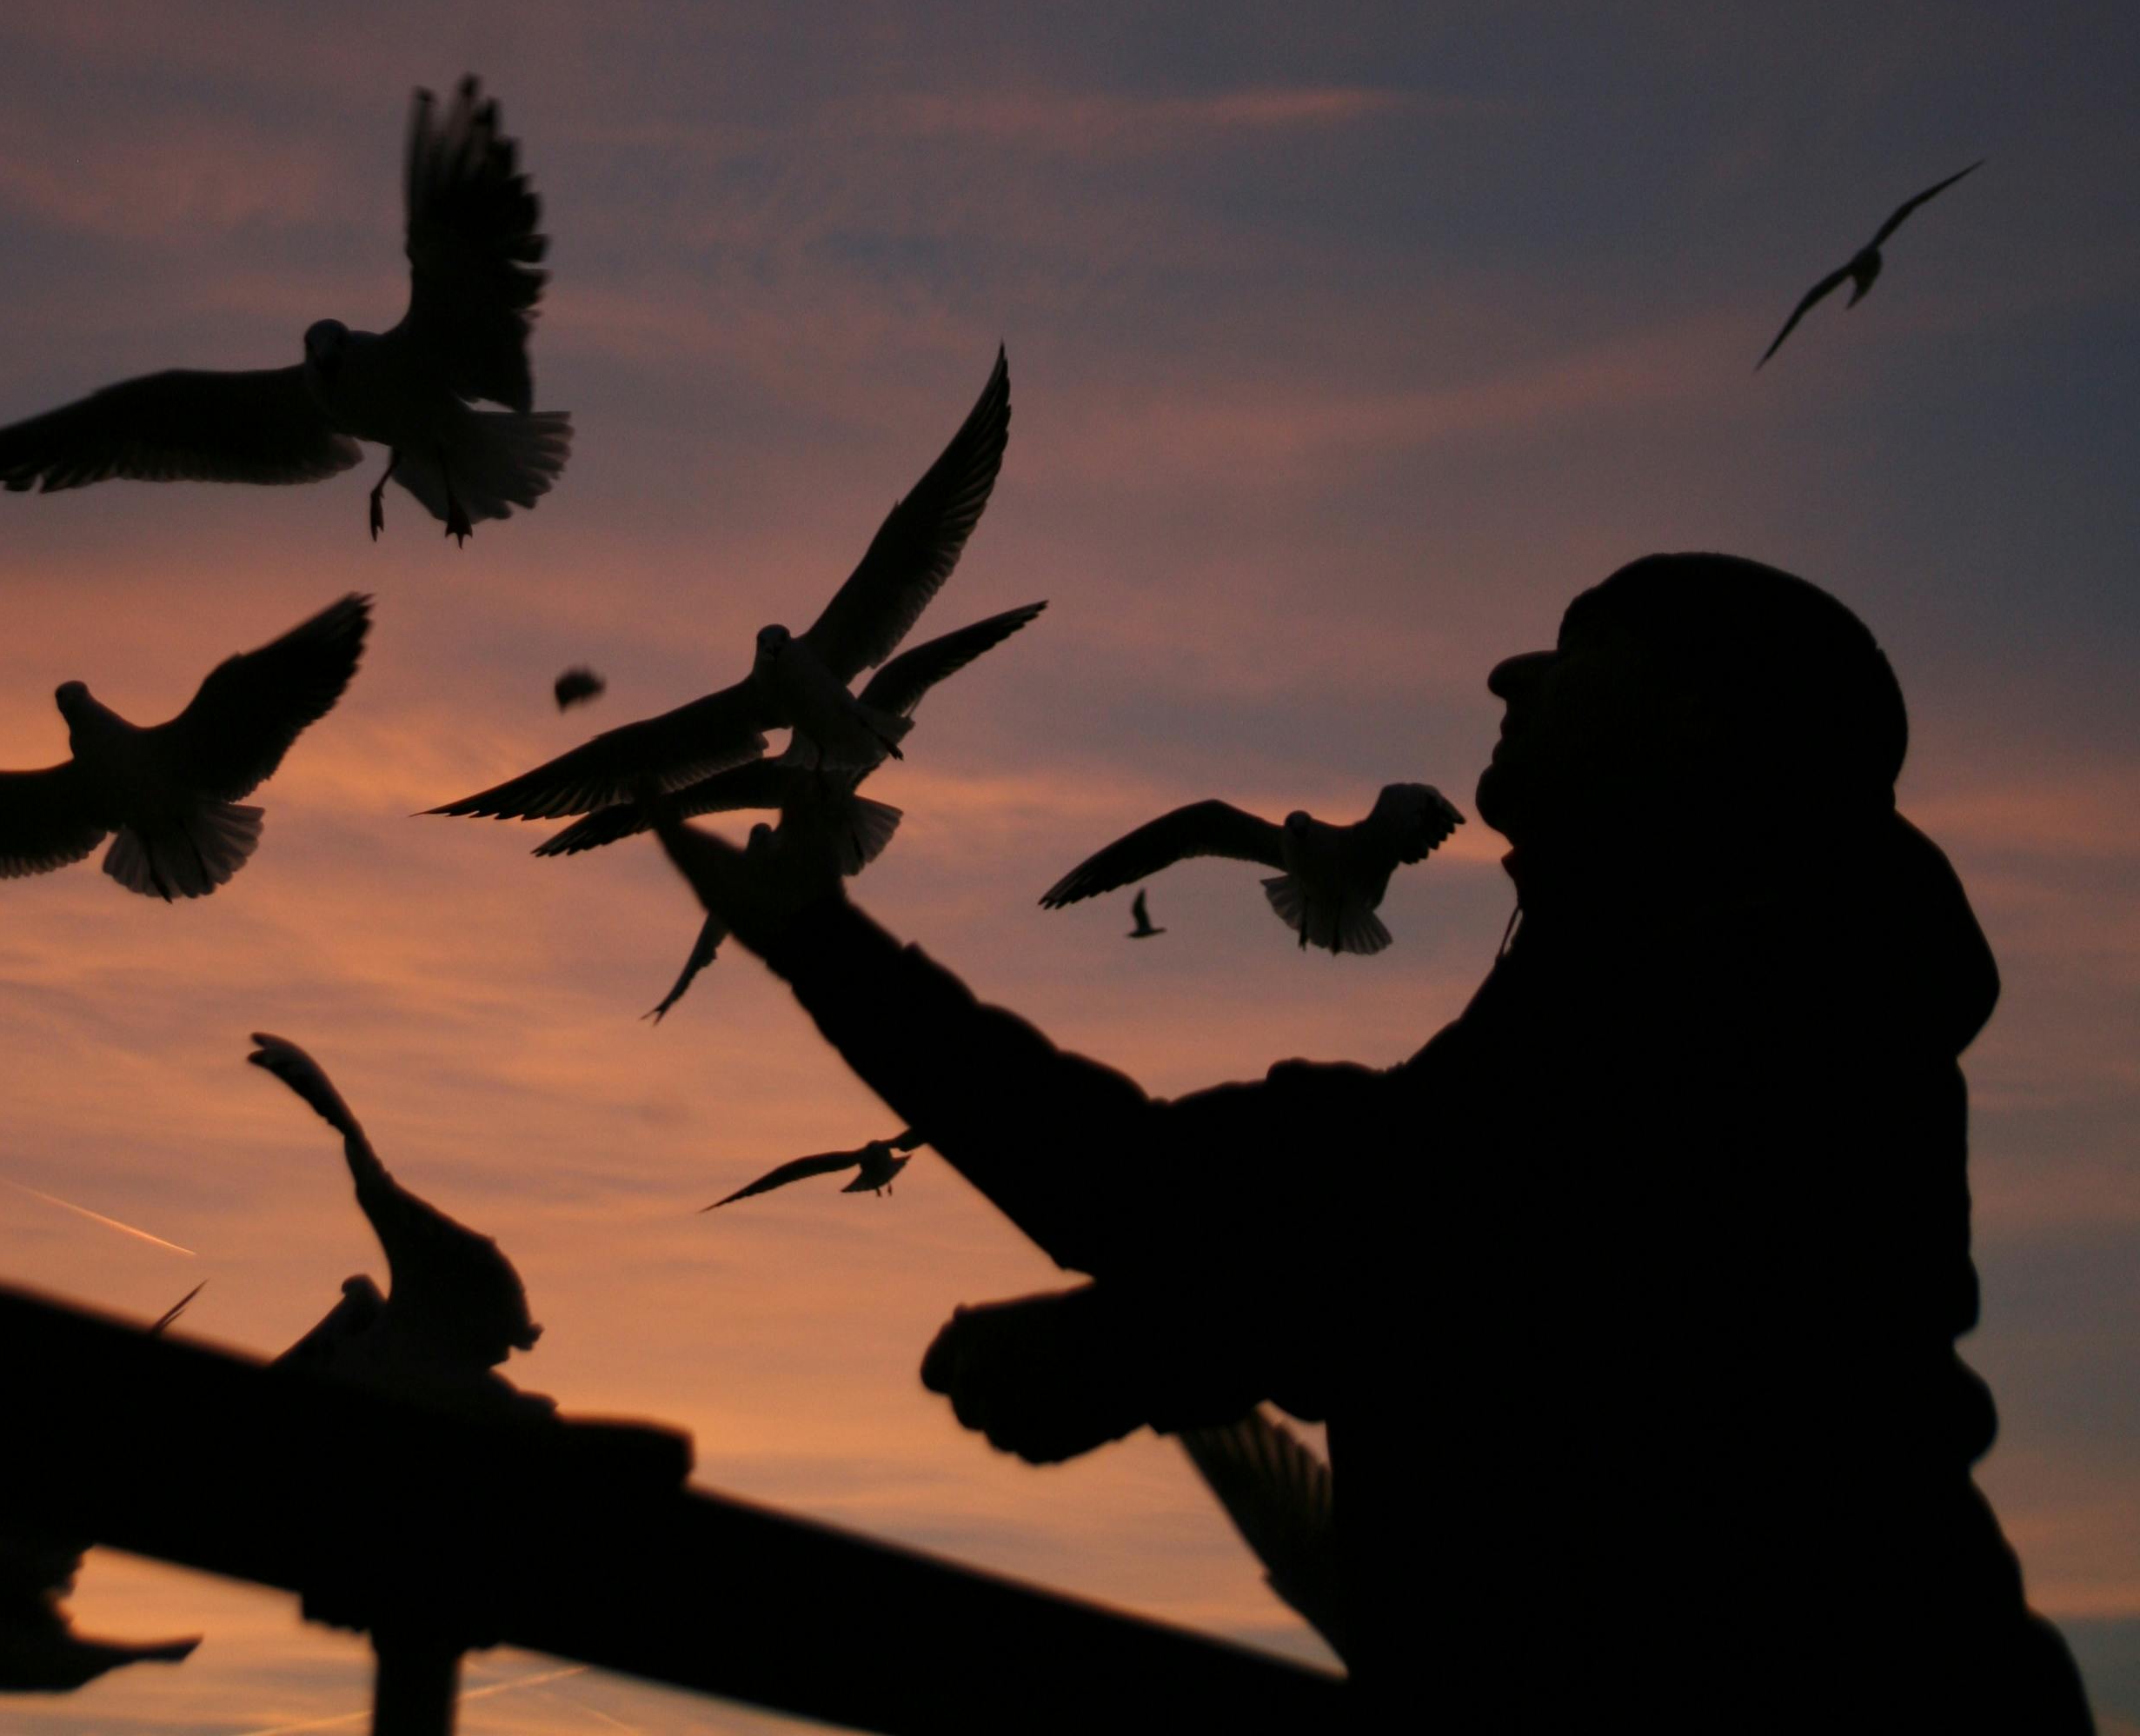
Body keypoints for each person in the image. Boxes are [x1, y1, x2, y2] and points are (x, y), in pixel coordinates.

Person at [662, 552, 2090, 1733]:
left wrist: (1144, 1340)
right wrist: (1168, 1339)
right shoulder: (1688, 972)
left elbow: (1386, 1230)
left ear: (1701, 718)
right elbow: (1462, 1268)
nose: (1510, 676)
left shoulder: (1748, 997)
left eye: (1578, 650)